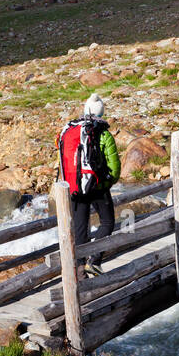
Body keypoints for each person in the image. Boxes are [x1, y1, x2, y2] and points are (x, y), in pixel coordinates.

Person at [56, 94, 121, 276]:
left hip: (75, 186)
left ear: (86, 110)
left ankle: (79, 272)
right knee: (107, 222)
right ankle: (94, 260)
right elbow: (114, 169)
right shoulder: (103, 133)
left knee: (80, 228)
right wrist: (107, 182)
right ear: (102, 112)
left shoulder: (71, 130)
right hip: (97, 187)